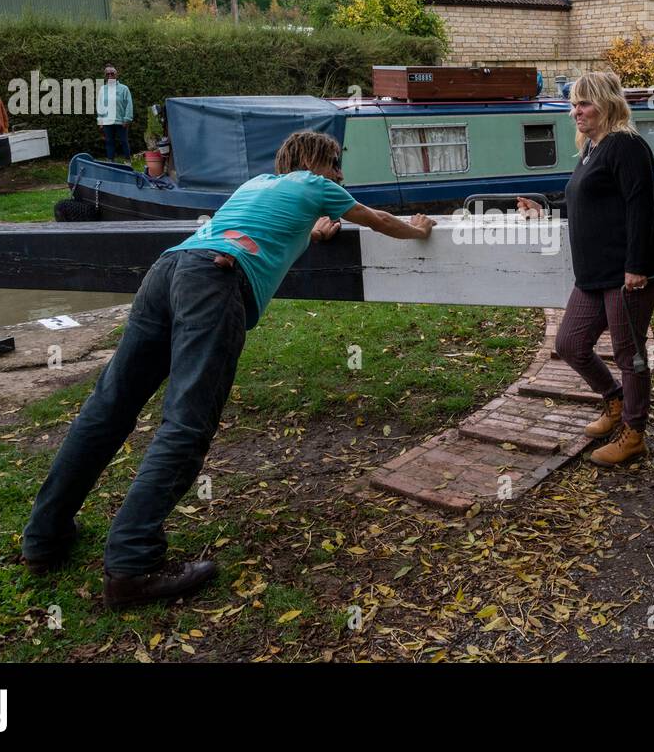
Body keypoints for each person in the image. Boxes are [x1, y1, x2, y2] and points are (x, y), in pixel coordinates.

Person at [22, 130, 435, 608]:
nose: (340, 174)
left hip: (169, 270)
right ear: (307, 160)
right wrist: (418, 228)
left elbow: (272, 227)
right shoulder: (317, 186)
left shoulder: (256, 184)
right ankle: (132, 565)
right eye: (334, 162)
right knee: (185, 422)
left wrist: (315, 231)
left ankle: (44, 538)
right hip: (215, 281)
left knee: (110, 406)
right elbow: (381, 220)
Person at [518, 71, 654, 468]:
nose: (575, 112)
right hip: (594, 273)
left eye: (583, 104)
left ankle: (634, 434)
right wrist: (544, 211)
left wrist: (636, 266)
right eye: (573, 104)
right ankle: (615, 401)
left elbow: (642, 207)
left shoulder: (626, 145)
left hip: (628, 271)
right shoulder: (591, 148)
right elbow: (585, 203)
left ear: (606, 104)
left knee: (629, 353)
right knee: (570, 343)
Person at [96, 64, 133, 163]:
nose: (110, 75)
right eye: (107, 74)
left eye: (112, 73)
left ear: (116, 74)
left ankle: (128, 161)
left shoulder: (124, 88)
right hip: (107, 121)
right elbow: (100, 105)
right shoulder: (102, 89)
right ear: (105, 75)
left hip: (121, 121)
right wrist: (100, 121)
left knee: (124, 141)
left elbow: (129, 104)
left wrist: (127, 119)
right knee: (109, 142)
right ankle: (110, 160)